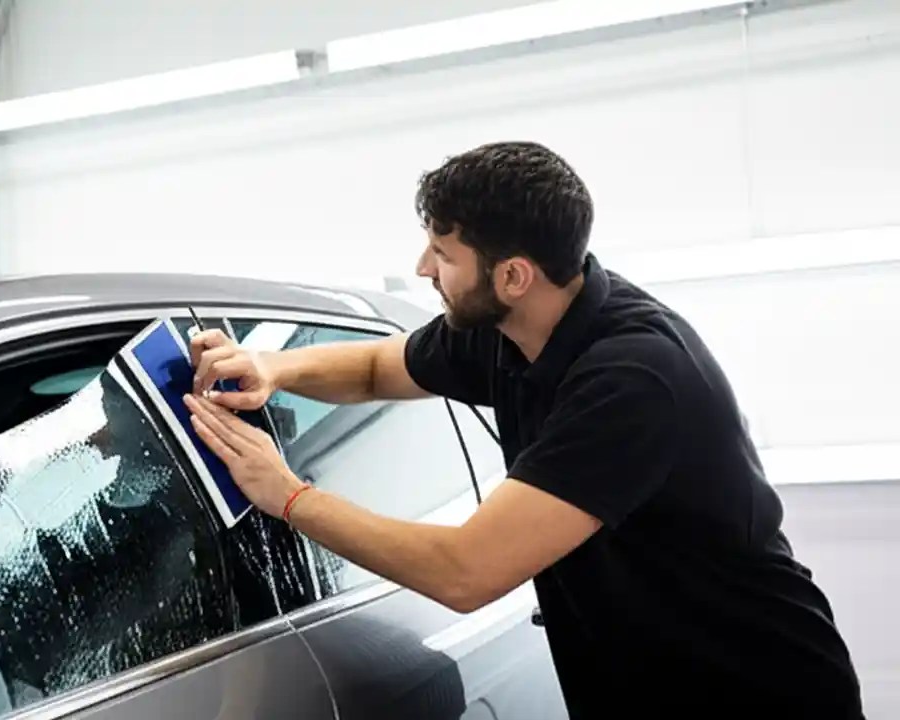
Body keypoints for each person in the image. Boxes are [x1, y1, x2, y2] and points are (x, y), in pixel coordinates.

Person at [182, 141, 865, 719]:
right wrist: (272, 364)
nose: (424, 269)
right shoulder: (512, 328)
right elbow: (371, 367)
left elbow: (466, 572)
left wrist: (289, 497)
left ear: (512, 275)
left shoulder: (632, 381)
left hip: (758, 694)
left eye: (442, 253)